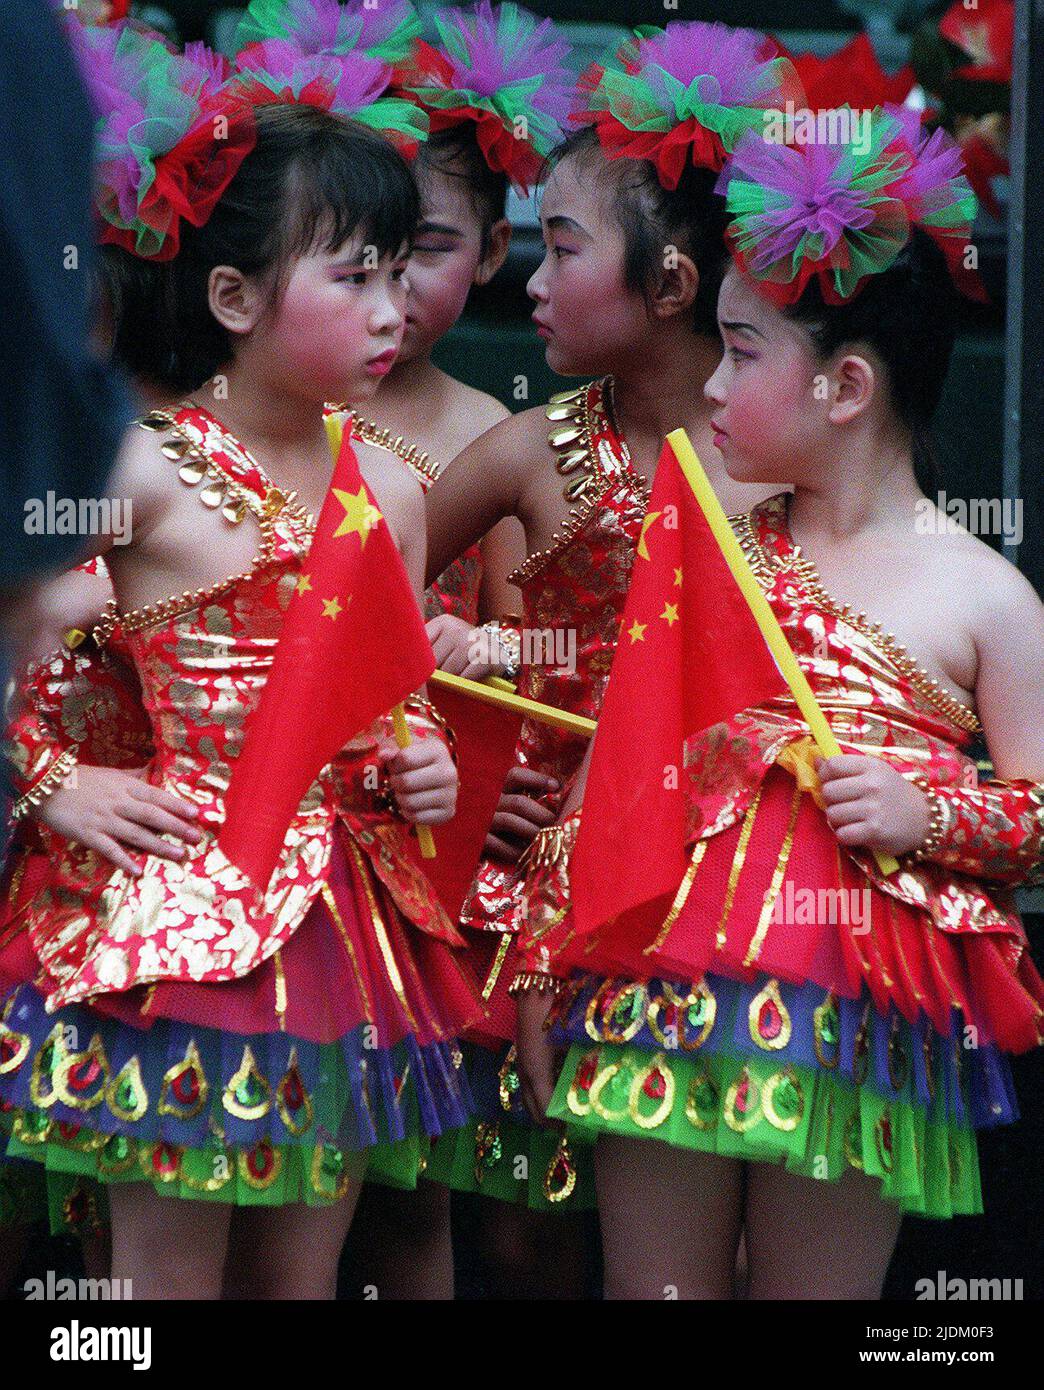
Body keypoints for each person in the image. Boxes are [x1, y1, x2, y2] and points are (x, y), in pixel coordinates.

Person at [514, 107, 1044, 1299]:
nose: (709, 381)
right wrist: (549, 957)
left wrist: (931, 812)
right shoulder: (703, 548)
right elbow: (621, 759)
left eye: (743, 351)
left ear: (845, 383)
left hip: (860, 1005)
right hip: (661, 983)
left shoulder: (988, 597)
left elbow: (1041, 810)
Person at [0, 25, 479, 1300]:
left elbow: (393, 707)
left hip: (338, 935)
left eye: (402, 271)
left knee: (300, 1281)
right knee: (158, 1287)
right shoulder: (144, 474)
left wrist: (421, 760)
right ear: (233, 299)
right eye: (355, 277)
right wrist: (53, 783)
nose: (397, 310)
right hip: (177, 924)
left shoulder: (394, 489)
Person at [421, 21, 794, 1228]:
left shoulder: (790, 472)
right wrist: (461, 746)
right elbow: (341, 622)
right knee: (531, 1232)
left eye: (560, 247)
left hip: (736, 897)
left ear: (673, 284)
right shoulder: (530, 452)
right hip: (532, 894)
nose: (527, 281)